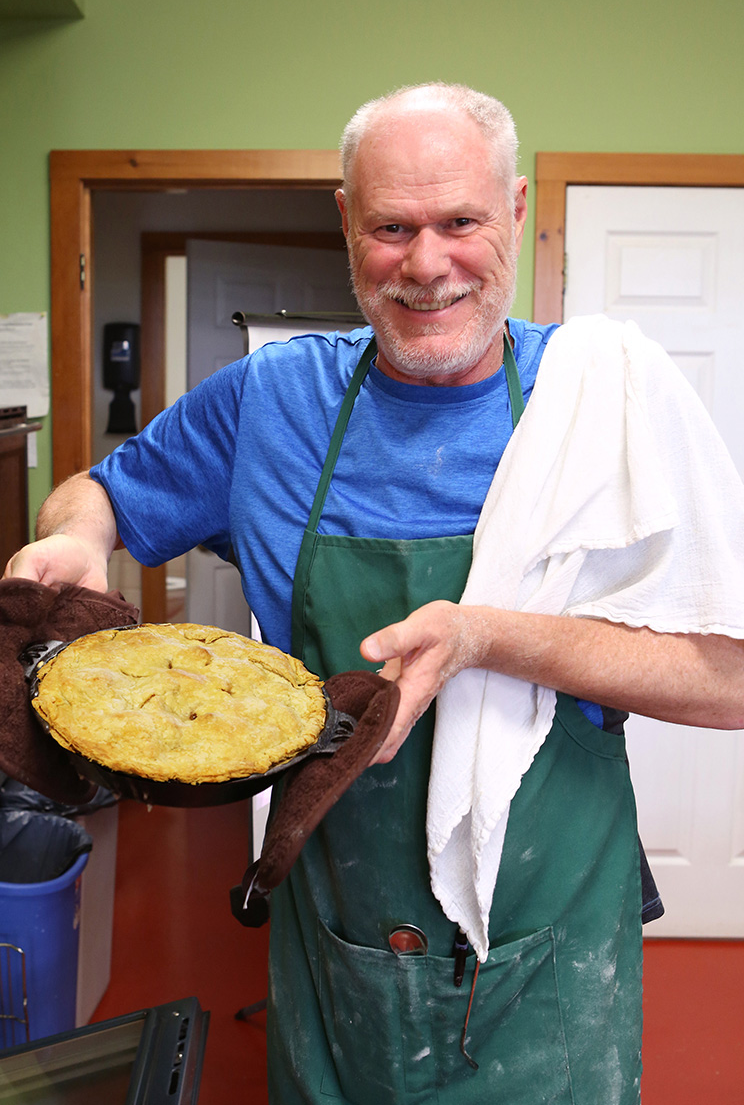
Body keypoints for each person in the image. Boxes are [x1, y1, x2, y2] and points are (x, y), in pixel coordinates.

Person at [6, 83, 744, 1104]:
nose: (427, 263)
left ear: (518, 214)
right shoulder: (271, 404)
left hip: (554, 939)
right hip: (342, 926)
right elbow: (96, 495)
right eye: (392, 226)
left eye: (461, 222)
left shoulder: (598, 408)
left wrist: (488, 636)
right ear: (347, 225)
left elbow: (732, 681)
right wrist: (77, 539)